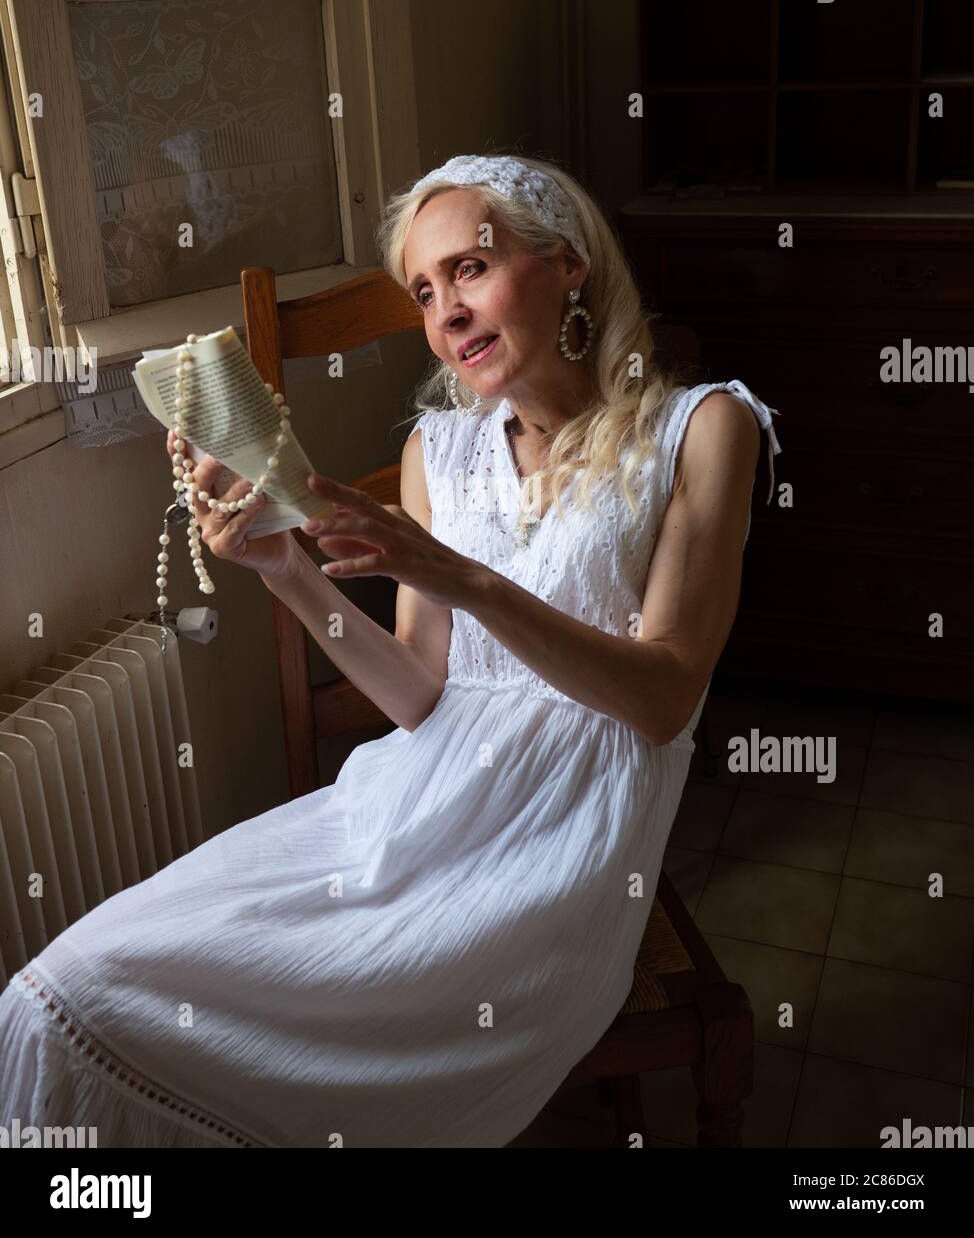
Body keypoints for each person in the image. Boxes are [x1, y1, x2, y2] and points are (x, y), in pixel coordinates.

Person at [0, 153, 781, 1148]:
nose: (445, 311)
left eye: (469, 268)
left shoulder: (701, 429)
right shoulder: (436, 453)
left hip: (553, 864)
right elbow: (418, 692)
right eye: (422, 289)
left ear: (567, 262)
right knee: (63, 991)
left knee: (243, 1023)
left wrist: (467, 579)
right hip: (400, 813)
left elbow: (665, 697)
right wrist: (287, 572)